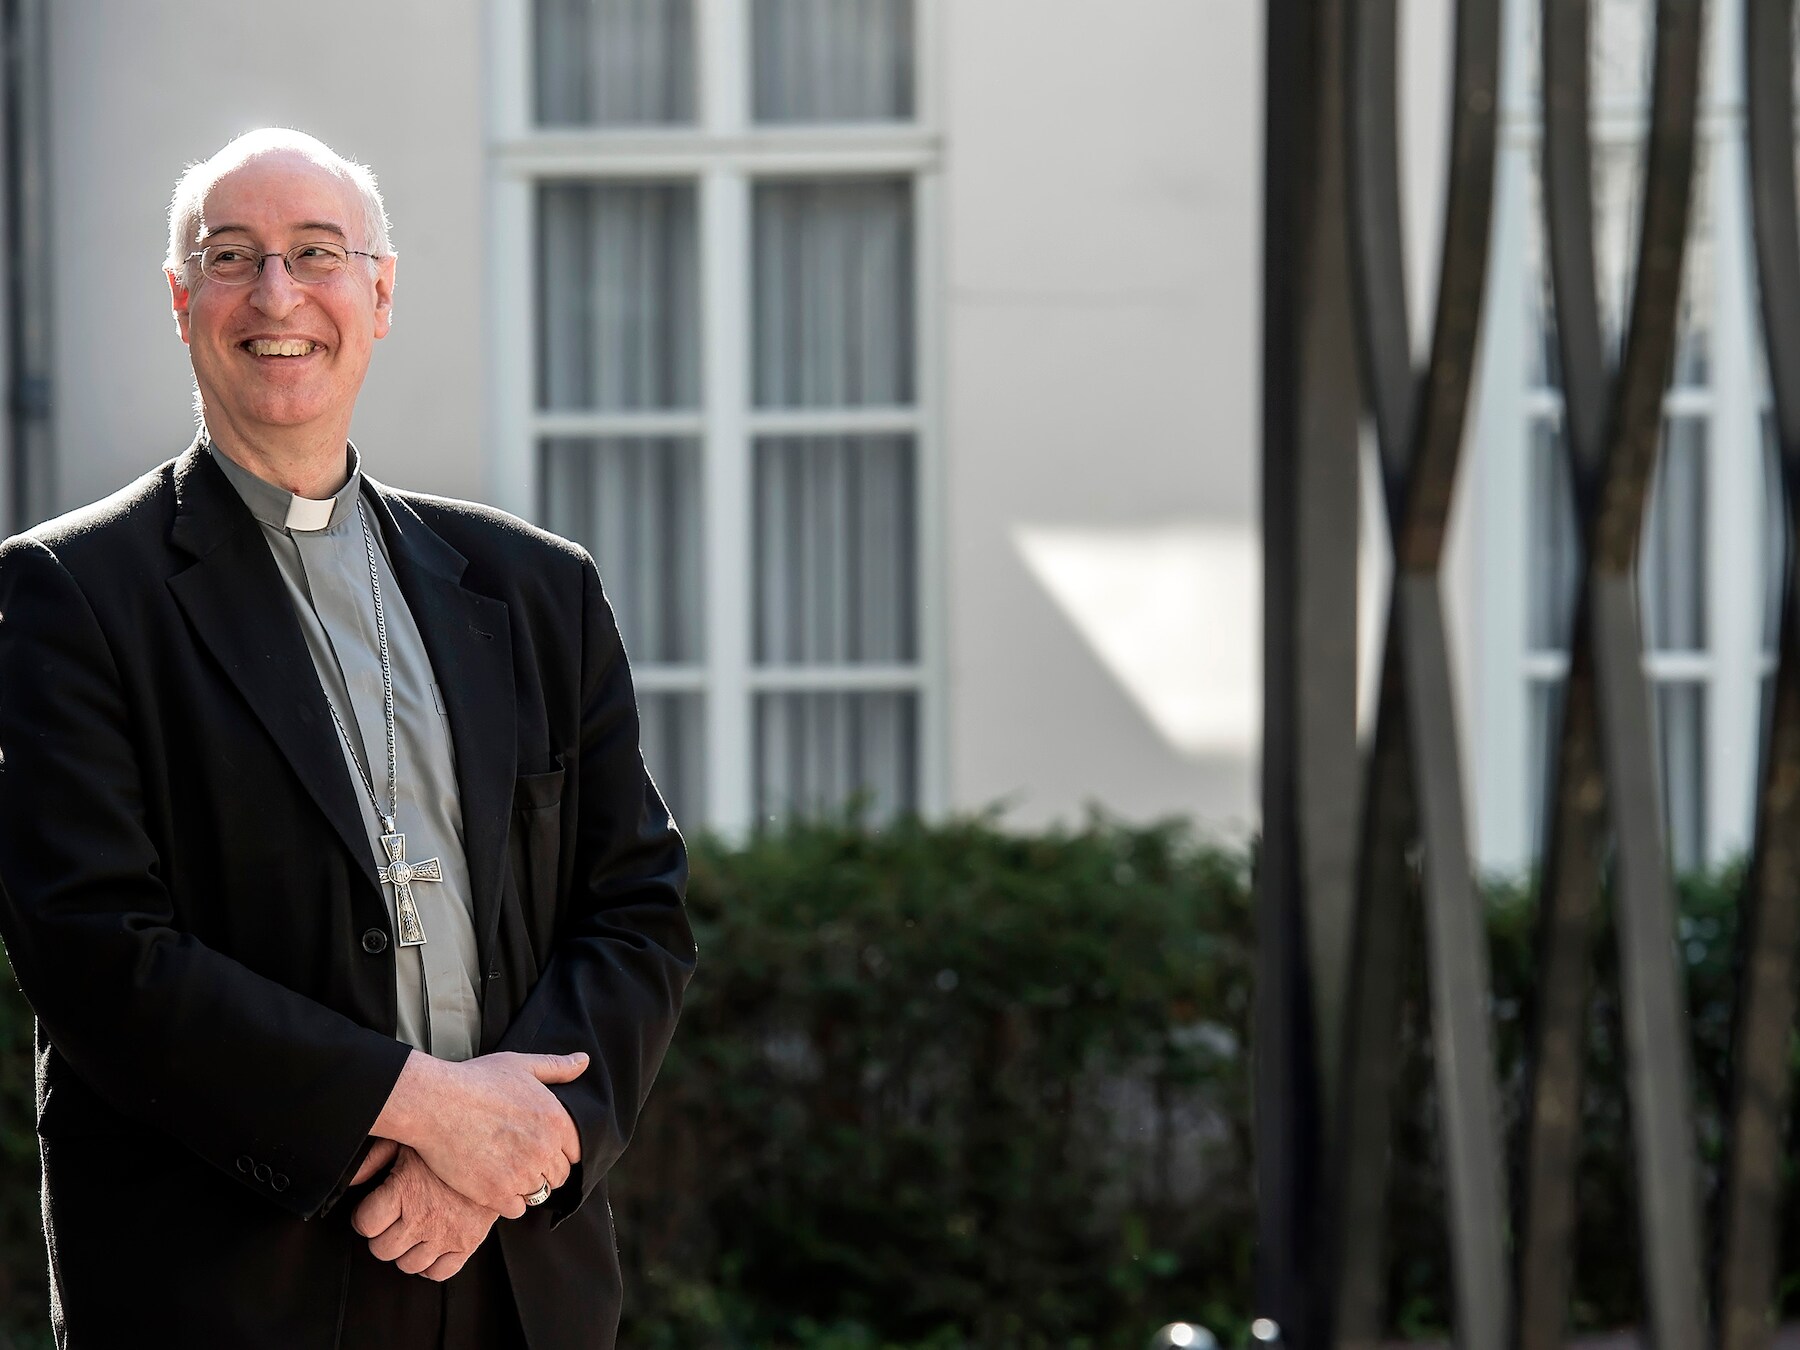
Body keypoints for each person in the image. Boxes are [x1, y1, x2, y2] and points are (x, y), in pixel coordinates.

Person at [0, 127, 695, 1348]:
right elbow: (94, 949)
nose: (279, 296)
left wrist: (511, 1153)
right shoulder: (70, 592)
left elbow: (635, 909)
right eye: (233, 257)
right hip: (230, 1286)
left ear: (379, 292)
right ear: (181, 301)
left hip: (516, 1280)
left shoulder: (537, 591)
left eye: (317, 254)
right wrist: (418, 1106)